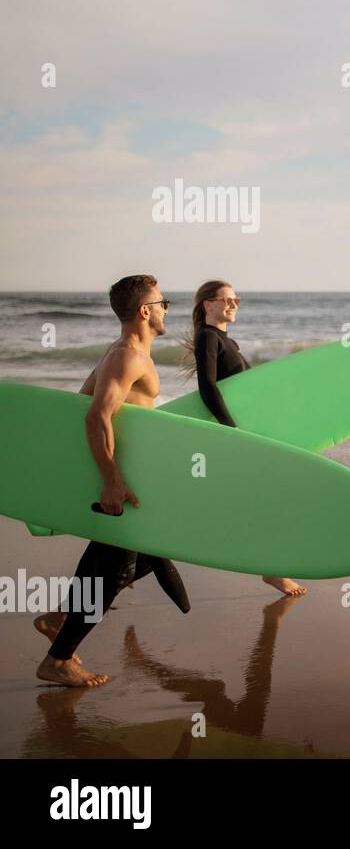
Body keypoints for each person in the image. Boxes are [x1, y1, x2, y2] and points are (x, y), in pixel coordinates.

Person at [35, 275, 191, 688]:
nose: (165, 310)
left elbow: (84, 404)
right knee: (117, 570)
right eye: (162, 303)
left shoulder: (124, 352)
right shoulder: (128, 357)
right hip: (115, 478)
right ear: (144, 310)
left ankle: (61, 617)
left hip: (118, 475)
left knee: (108, 559)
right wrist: (110, 481)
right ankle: (59, 660)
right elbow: (95, 415)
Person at [183, 280, 307, 597]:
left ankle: (272, 569)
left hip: (245, 436)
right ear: (208, 304)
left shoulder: (227, 341)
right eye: (227, 299)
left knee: (259, 500)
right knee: (253, 502)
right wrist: (230, 428)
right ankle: (133, 558)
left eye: (237, 299)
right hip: (234, 438)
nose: (234, 304)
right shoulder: (208, 338)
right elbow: (207, 386)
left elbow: (249, 389)